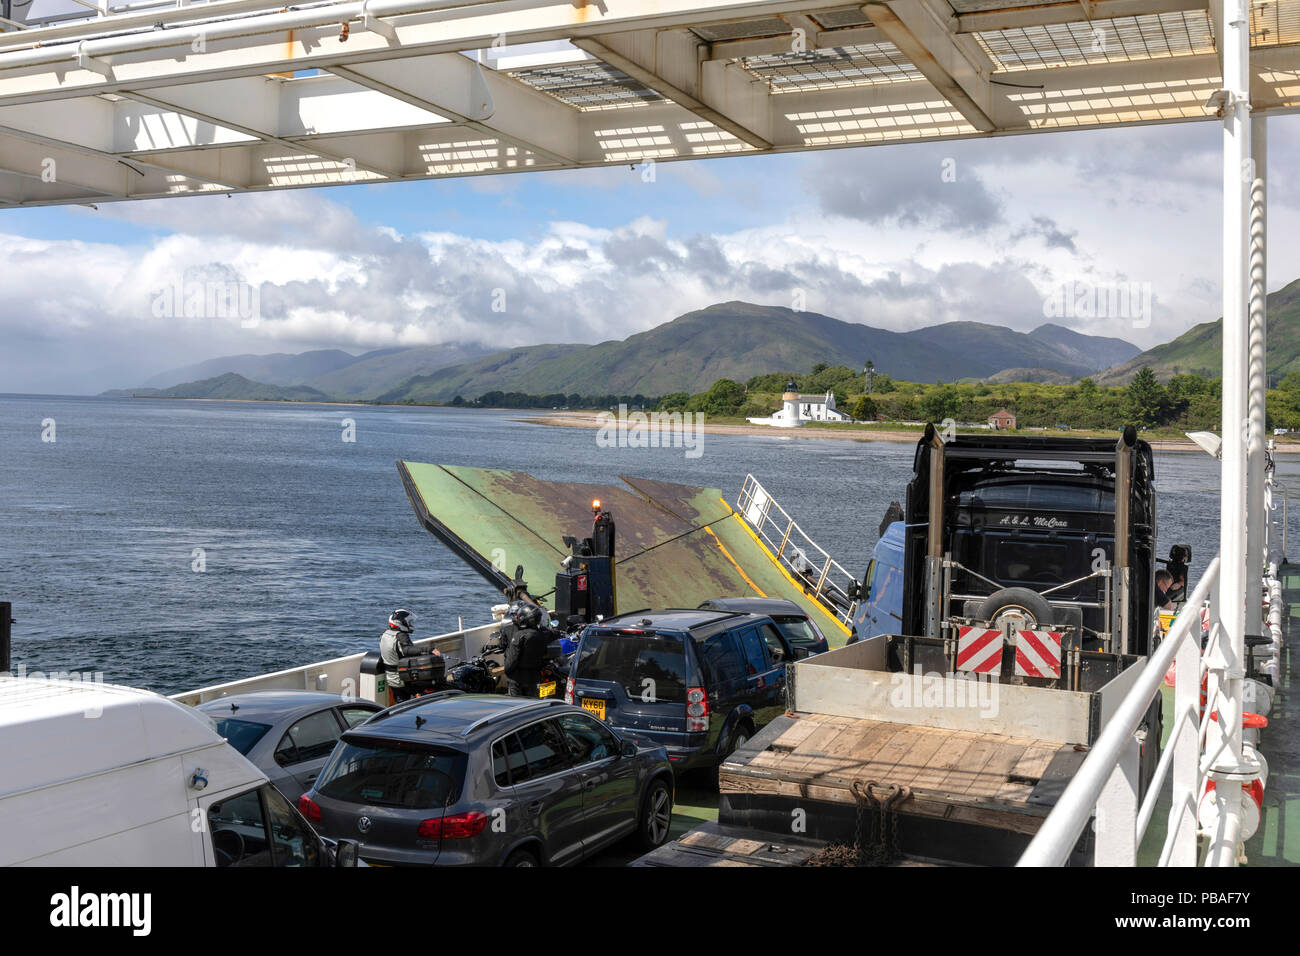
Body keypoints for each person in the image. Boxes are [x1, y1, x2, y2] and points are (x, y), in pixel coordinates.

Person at [503, 603, 551, 697]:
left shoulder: (519, 636)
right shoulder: (543, 634)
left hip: (517, 679)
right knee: (532, 704)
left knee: (516, 706)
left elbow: (512, 660)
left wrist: (507, 672)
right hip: (533, 678)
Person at [380, 608, 423, 702]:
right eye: (408, 622)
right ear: (401, 622)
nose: (410, 625)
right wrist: (428, 649)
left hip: (391, 679)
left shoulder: (385, 634)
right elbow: (408, 650)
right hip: (403, 679)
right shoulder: (401, 636)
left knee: (401, 703)